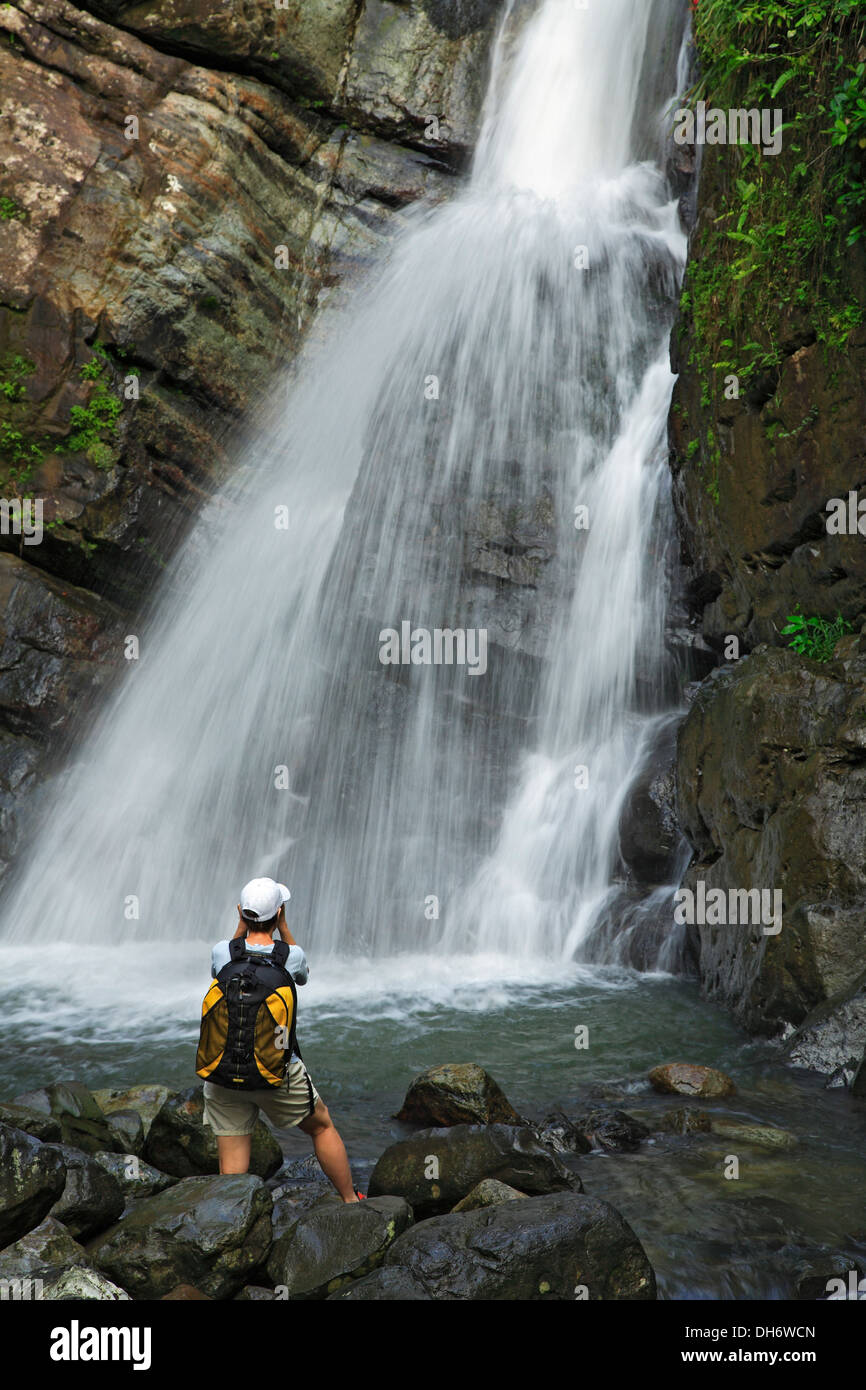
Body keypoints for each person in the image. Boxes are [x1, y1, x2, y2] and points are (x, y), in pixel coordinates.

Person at [201, 876, 362, 1202]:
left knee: (232, 1170)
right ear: (278, 914)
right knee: (322, 1126)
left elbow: (225, 963)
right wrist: (283, 928)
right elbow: (300, 975)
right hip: (277, 1073)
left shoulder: (222, 952)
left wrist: (241, 925)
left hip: (223, 1072)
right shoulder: (290, 956)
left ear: (241, 914)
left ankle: (231, 1228)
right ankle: (350, 1200)